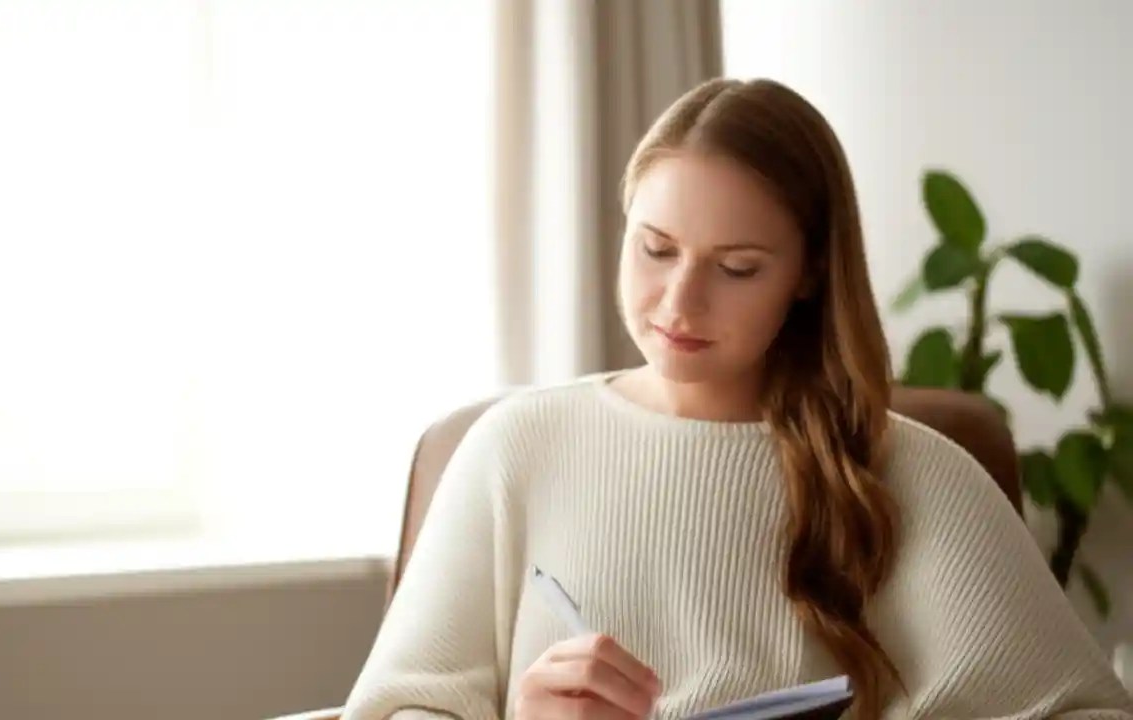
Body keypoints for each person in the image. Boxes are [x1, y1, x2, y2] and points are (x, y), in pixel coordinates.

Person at [343, 78, 1133, 720]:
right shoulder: (514, 446)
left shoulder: (912, 472)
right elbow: (397, 708)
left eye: (739, 267)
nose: (678, 303)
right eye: (655, 249)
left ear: (810, 274)